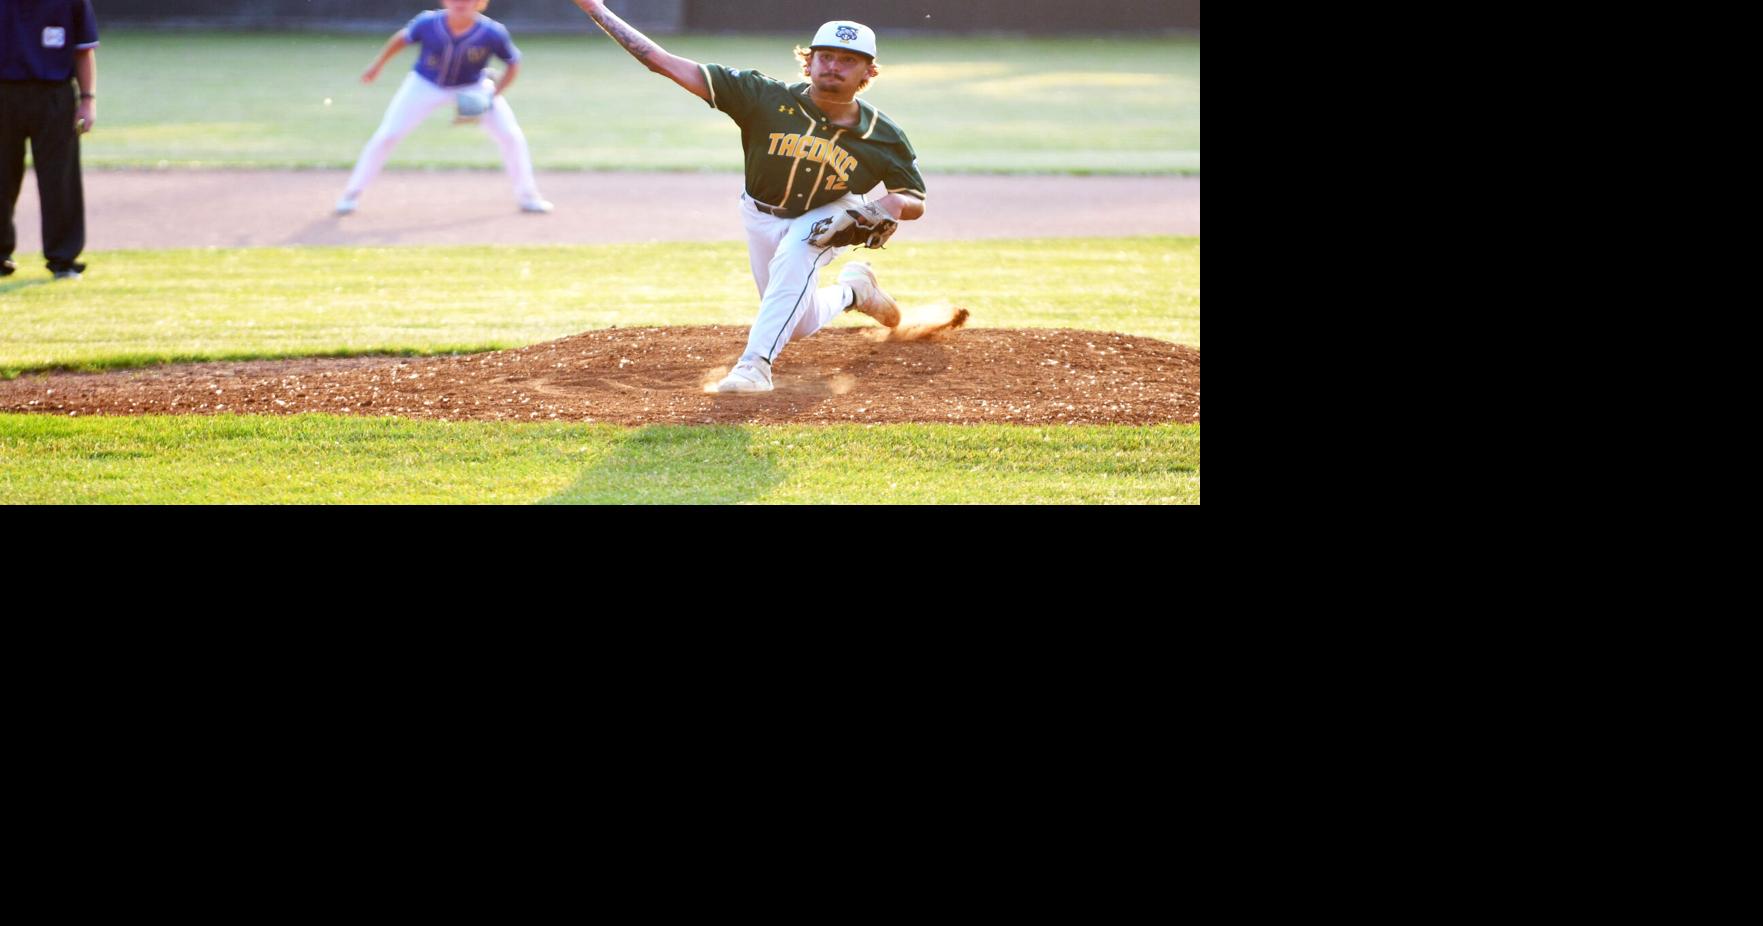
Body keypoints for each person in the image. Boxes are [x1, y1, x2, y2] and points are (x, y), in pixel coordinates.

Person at [569, 1, 927, 394]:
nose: (833, 66)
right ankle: (855, 292)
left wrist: (891, 205)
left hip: (832, 213)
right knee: (798, 320)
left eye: (847, 60)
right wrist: (596, 9)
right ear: (807, 62)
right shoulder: (762, 96)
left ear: (868, 73)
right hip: (759, 215)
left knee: (799, 249)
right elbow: (661, 61)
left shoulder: (881, 133)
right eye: (825, 56)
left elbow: (912, 196)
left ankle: (754, 367)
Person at [337, 0, 551, 216]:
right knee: (387, 135)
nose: (460, 3)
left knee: (511, 136)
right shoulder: (428, 22)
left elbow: (513, 63)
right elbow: (403, 38)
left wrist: (492, 96)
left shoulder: (492, 32)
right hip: (424, 85)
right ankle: (351, 193)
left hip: (472, 87)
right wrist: (377, 65)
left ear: (479, 3)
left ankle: (528, 196)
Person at [1, 0, 99, 281]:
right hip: (3, 91)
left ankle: (63, 259)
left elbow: (84, 49)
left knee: (60, 179)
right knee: (1, 176)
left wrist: (87, 100)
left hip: (54, 95)